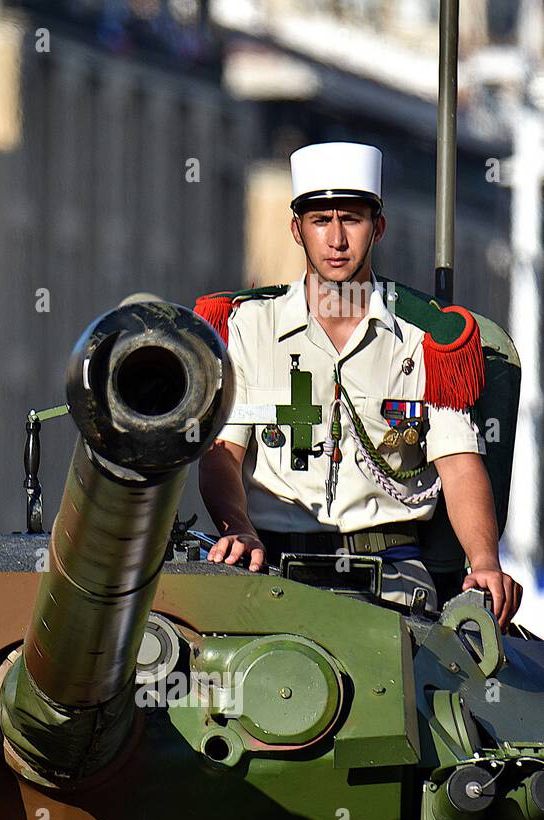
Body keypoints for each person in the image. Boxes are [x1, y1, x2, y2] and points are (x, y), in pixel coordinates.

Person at [195, 142, 521, 627]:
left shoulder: (425, 338)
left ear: (378, 227)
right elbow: (223, 452)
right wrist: (239, 529)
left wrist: (485, 563)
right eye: (320, 221)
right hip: (275, 565)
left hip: (392, 573)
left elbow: (458, 463)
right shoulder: (250, 328)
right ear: (296, 229)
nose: (336, 240)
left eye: (351, 219)